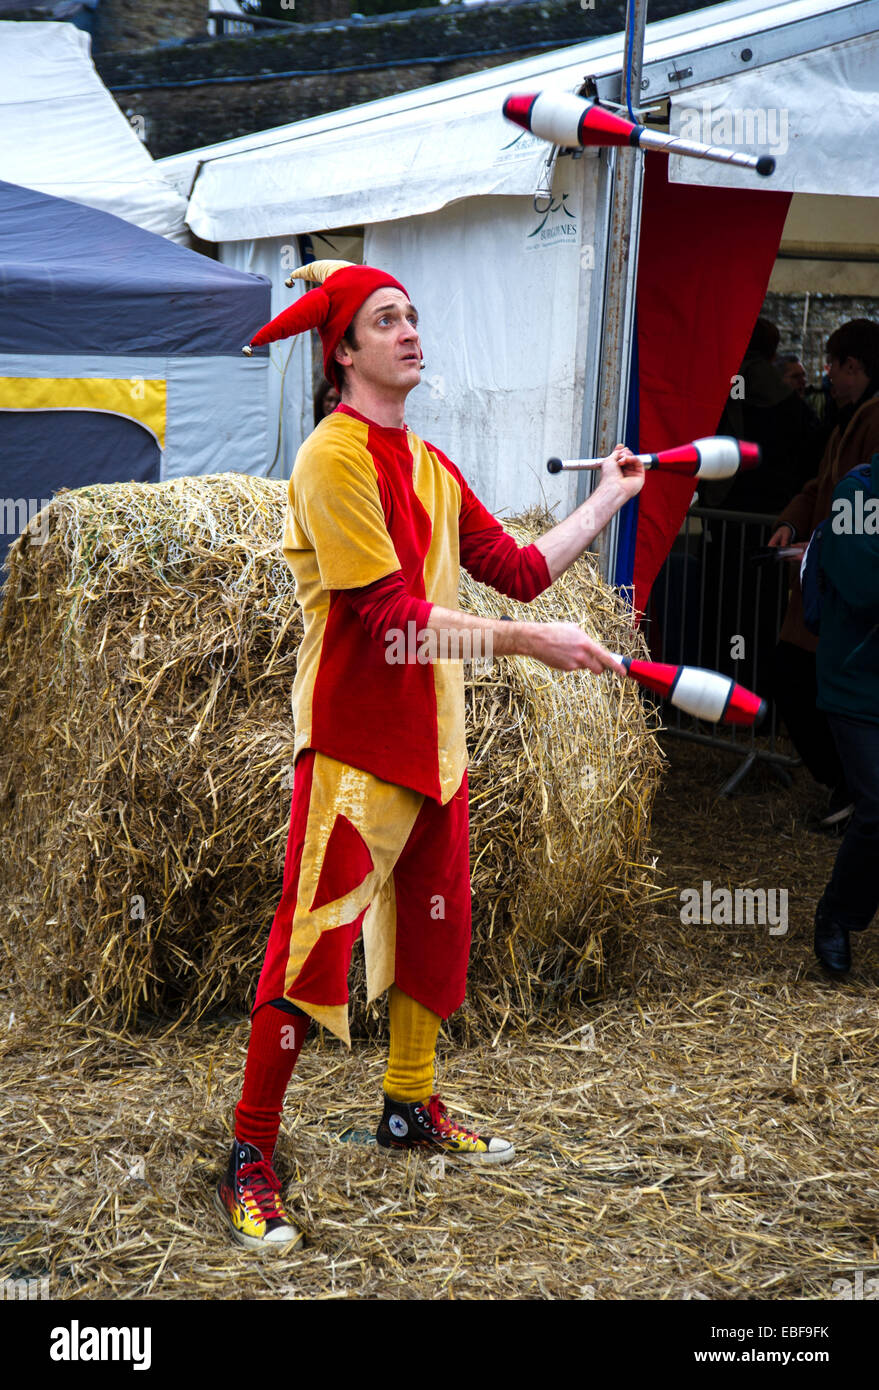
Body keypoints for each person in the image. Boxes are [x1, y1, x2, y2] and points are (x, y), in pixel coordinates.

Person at [217, 258, 644, 1250]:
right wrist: (528, 647)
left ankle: (409, 1105)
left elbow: (526, 572)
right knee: (307, 955)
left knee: (430, 939)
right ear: (345, 352)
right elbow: (389, 623)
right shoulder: (334, 458)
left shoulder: (433, 467)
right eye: (385, 319)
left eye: (413, 315)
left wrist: (613, 494)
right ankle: (249, 1153)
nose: (410, 331)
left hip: (434, 748)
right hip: (356, 751)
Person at [768, 318, 879, 828]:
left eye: (834, 365)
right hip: (824, 586)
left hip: (844, 594)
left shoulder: (873, 419)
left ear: (855, 368)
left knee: (802, 683)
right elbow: (819, 485)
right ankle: (851, 789)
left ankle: (856, 792)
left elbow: (863, 507)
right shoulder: (846, 419)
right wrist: (793, 522)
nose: (827, 374)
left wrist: (830, 545)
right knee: (796, 678)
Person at [812, 451, 879, 973]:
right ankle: (838, 915)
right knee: (878, 808)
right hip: (858, 684)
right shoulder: (856, 496)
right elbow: (862, 587)